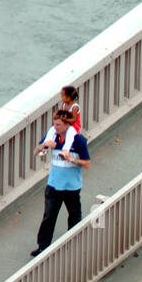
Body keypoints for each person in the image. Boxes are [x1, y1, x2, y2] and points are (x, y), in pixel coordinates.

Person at [30, 109, 91, 256]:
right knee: (49, 216)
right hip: (54, 185)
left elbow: (87, 163)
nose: (55, 127)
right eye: (54, 124)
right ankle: (43, 247)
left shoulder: (78, 140)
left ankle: (74, 242)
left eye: (58, 125)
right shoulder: (52, 137)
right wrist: (44, 145)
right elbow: (36, 151)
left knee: (74, 216)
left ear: (67, 125)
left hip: (72, 187)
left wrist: (72, 160)